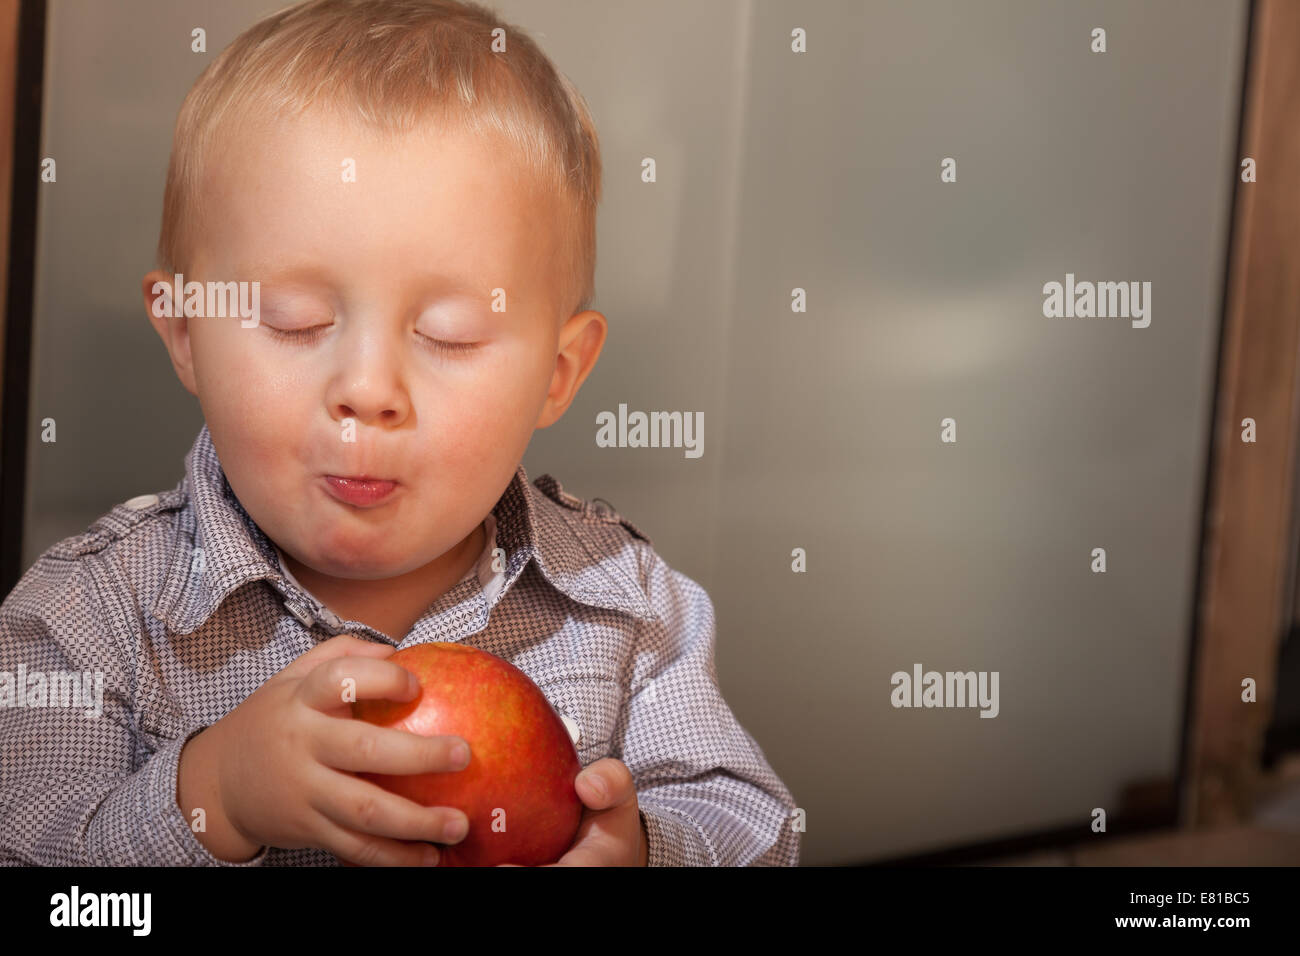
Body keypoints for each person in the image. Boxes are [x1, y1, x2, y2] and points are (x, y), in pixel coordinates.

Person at [0, 0, 800, 866]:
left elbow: (755, 829)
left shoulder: (630, 610)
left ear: (560, 373)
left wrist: (646, 850)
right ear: (187, 333)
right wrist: (213, 798)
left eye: (451, 333)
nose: (369, 391)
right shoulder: (85, 624)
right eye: (296, 320)